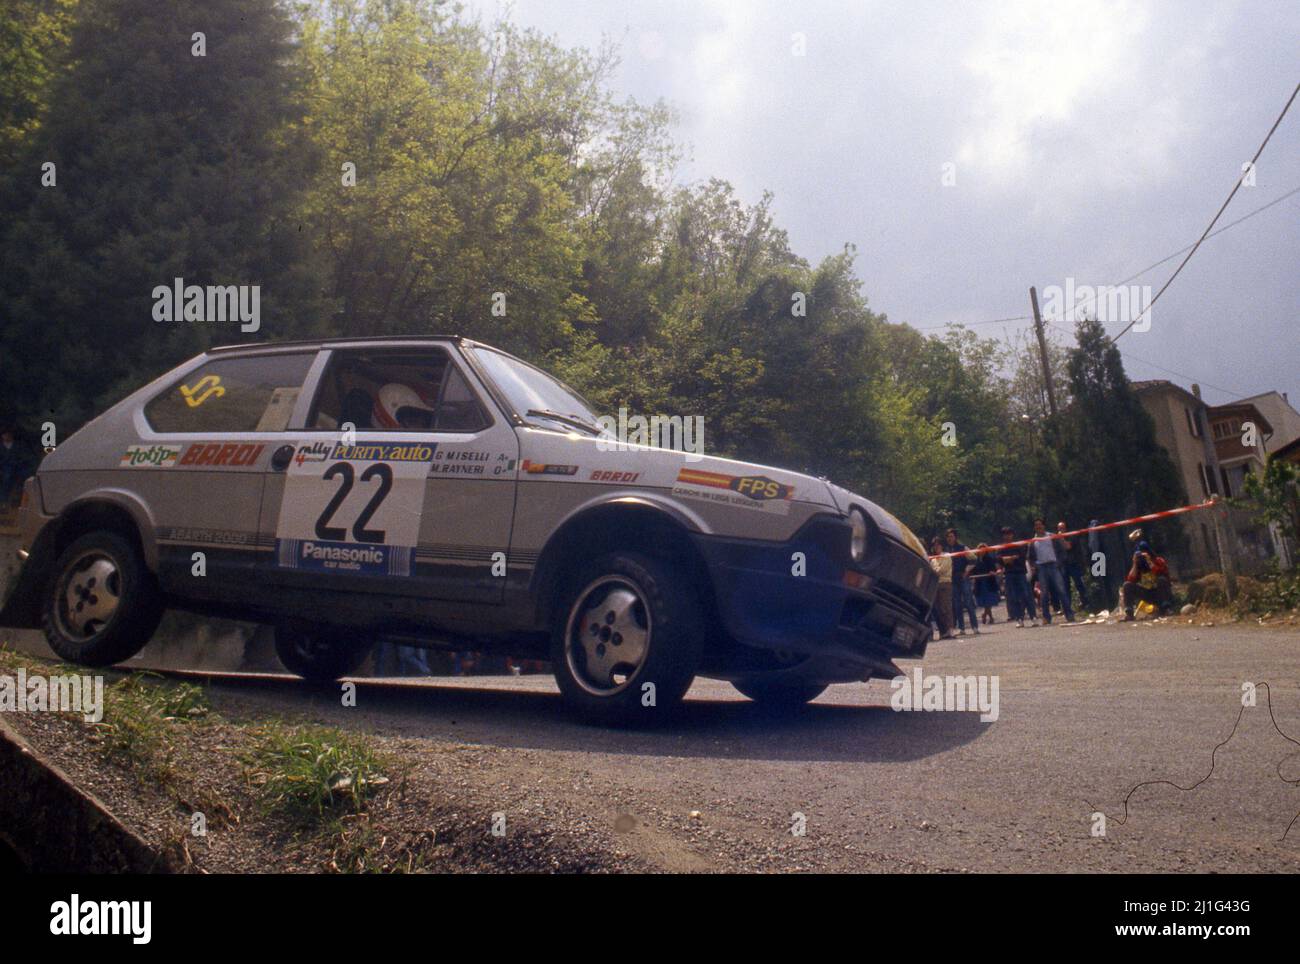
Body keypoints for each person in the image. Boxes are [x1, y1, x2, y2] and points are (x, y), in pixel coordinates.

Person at [1028, 518, 1074, 624]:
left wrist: (1059, 562)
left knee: (1061, 591)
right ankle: (1046, 618)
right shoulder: (1033, 541)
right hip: (1042, 568)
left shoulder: (1052, 536)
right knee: (1044, 594)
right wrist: (1034, 566)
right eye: (1036, 525)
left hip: (1054, 566)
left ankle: (1069, 614)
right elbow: (1030, 557)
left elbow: (1062, 550)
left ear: (1044, 526)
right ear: (1034, 527)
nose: (1038, 527)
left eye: (1040, 524)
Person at [1121, 541, 1174, 620]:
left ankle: (1166, 609)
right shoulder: (1139, 566)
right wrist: (1135, 563)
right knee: (1127, 585)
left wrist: (1149, 562)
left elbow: (1161, 573)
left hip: (1160, 593)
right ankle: (1129, 614)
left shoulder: (1158, 561)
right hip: (1147, 593)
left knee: (1161, 579)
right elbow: (1130, 579)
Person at [997, 526, 1037, 627]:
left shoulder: (1018, 545)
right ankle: (1019, 618)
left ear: (1012, 535)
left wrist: (1009, 559)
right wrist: (1009, 559)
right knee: (1013, 597)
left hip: (1020, 573)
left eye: (1009, 534)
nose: (1007, 536)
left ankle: (1033, 617)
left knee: (1026, 595)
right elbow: (999, 560)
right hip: (1009, 574)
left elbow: (1021, 558)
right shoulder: (1001, 548)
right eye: (1005, 534)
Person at [946, 528, 980, 635]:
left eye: (951, 536)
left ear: (955, 537)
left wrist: (967, 571)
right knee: (957, 604)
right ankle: (962, 628)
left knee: (968, 602)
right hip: (953, 579)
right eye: (948, 537)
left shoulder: (963, 547)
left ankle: (974, 626)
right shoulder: (947, 550)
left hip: (963, 577)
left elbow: (974, 559)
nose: (949, 538)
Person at [1056, 521, 1091, 612]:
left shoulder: (1072, 536)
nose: (1060, 530)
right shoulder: (1057, 539)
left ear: (1066, 528)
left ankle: (1086, 604)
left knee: (1079, 584)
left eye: (1062, 528)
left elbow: (1068, 547)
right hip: (1064, 565)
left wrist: (1062, 539)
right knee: (1065, 587)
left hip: (1073, 564)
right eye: (1059, 529)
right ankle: (1068, 608)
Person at [928, 537, 954, 639]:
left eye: (938, 545)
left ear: (942, 546)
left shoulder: (947, 556)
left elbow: (942, 569)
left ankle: (950, 629)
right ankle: (943, 631)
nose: (936, 547)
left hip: (946, 583)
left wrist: (935, 570)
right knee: (938, 609)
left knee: (946, 607)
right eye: (934, 545)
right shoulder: (933, 558)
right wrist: (935, 570)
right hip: (936, 585)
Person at [971, 543, 1000, 624]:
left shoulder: (989, 559)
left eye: (984, 549)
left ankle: (986, 615)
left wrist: (992, 572)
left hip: (989, 582)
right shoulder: (976, 560)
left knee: (989, 601)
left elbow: (994, 568)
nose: (982, 551)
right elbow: (974, 570)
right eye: (980, 549)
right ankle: (990, 617)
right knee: (984, 601)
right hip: (979, 583)